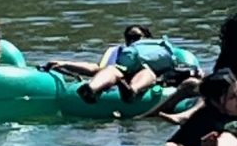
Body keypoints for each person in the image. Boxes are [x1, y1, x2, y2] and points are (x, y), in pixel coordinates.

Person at [50, 25, 199, 104]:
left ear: (148, 38)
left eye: (136, 37)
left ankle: (131, 91)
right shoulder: (118, 51)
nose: (133, 40)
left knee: (147, 73)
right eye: (129, 37)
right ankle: (90, 89)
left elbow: (186, 70)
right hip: (121, 75)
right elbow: (97, 69)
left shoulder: (162, 50)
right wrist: (65, 64)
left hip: (146, 76)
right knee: (111, 70)